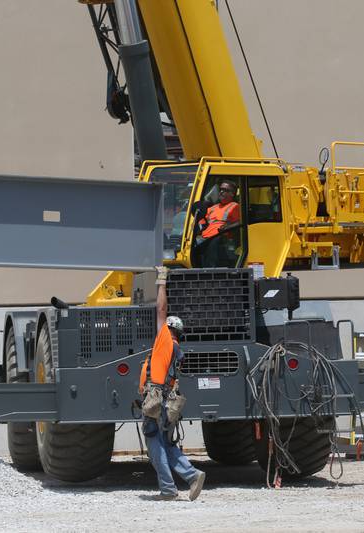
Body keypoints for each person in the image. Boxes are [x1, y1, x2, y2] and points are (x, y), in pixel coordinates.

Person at [139, 265, 206, 501]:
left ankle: (168, 489)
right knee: (165, 443)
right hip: (167, 404)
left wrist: (161, 279)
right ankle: (192, 475)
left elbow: (160, 309)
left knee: (155, 444)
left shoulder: (165, 341)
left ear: (169, 329)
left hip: (156, 403)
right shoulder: (177, 352)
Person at [195, 179, 241, 267]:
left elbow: (239, 222)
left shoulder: (235, 206)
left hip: (220, 238)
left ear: (232, 194)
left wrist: (227, 228)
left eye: (225, 190)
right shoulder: (213, 208)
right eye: (221, 189)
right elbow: (202, 222)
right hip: (204, 238)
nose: (221, 192)